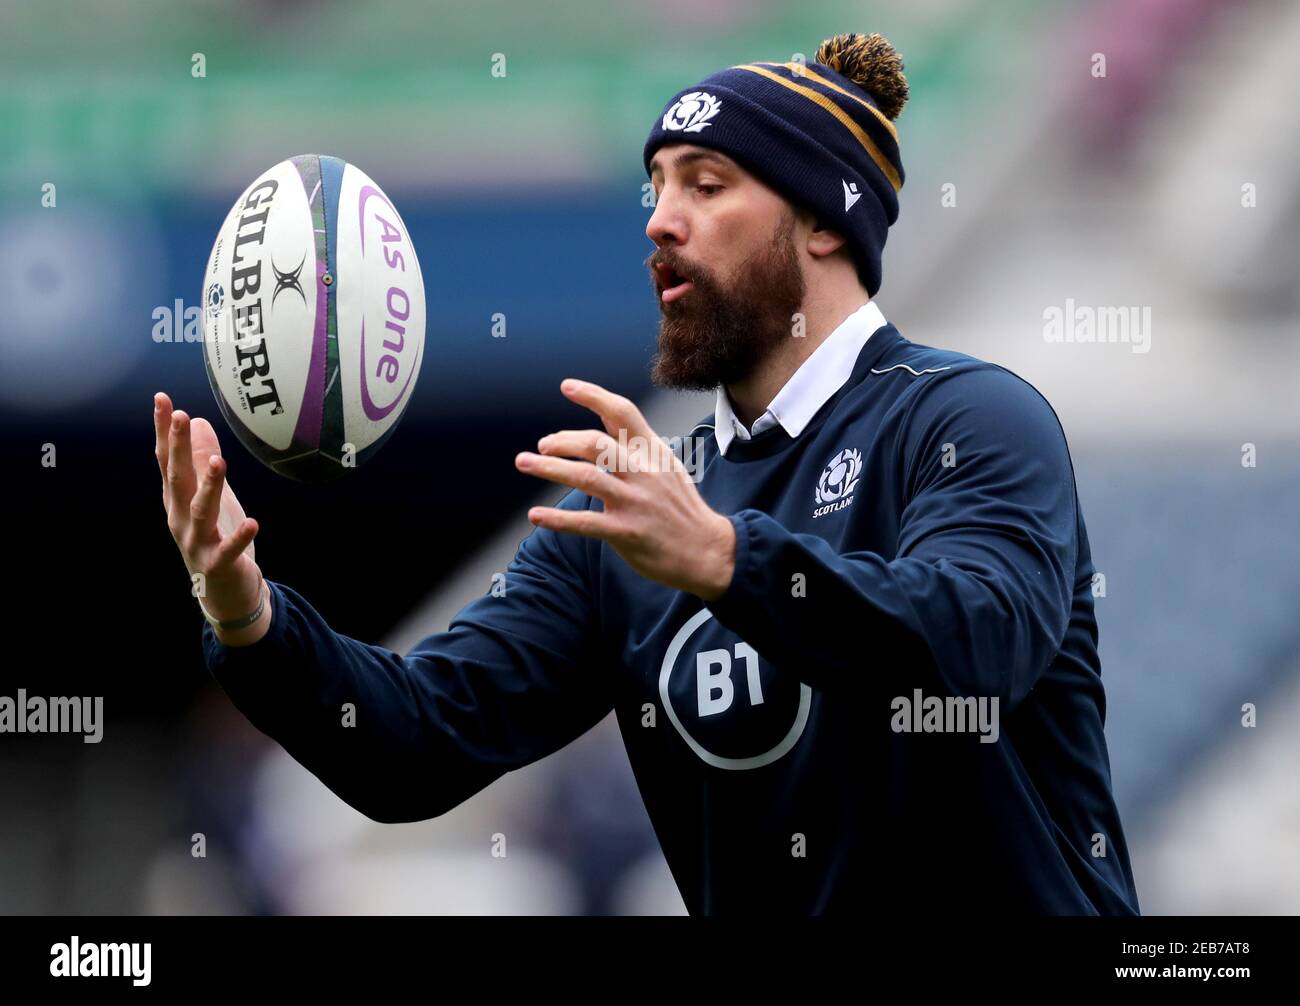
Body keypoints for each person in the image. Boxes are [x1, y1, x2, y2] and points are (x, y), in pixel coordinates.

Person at [156, 32, 1140, 915]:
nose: (660, 221)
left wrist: (723, 559)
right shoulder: (630, 515)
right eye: (656, 187)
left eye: (706, 185)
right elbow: (414, 744)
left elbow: (979, 642)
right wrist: (249, 617)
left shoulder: (966, 417)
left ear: (824, 223)